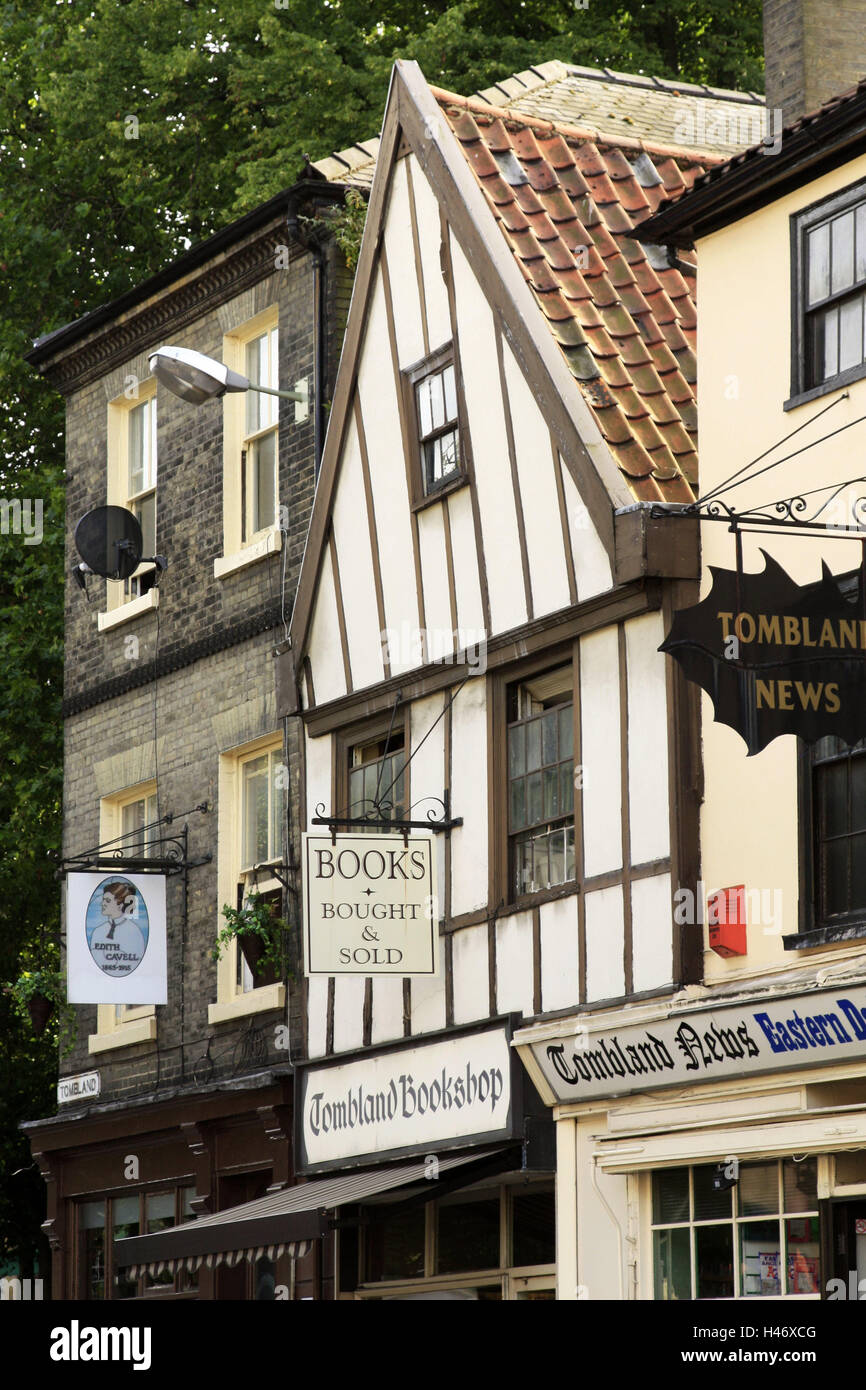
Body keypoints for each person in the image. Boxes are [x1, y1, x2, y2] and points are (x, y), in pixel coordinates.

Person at [88, 880, 146, 976]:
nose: (102, 904)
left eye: (107, 901)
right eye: (103, 900)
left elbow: (139, 962)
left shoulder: (134, 931)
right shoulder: (98, 931)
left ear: (120, 904)